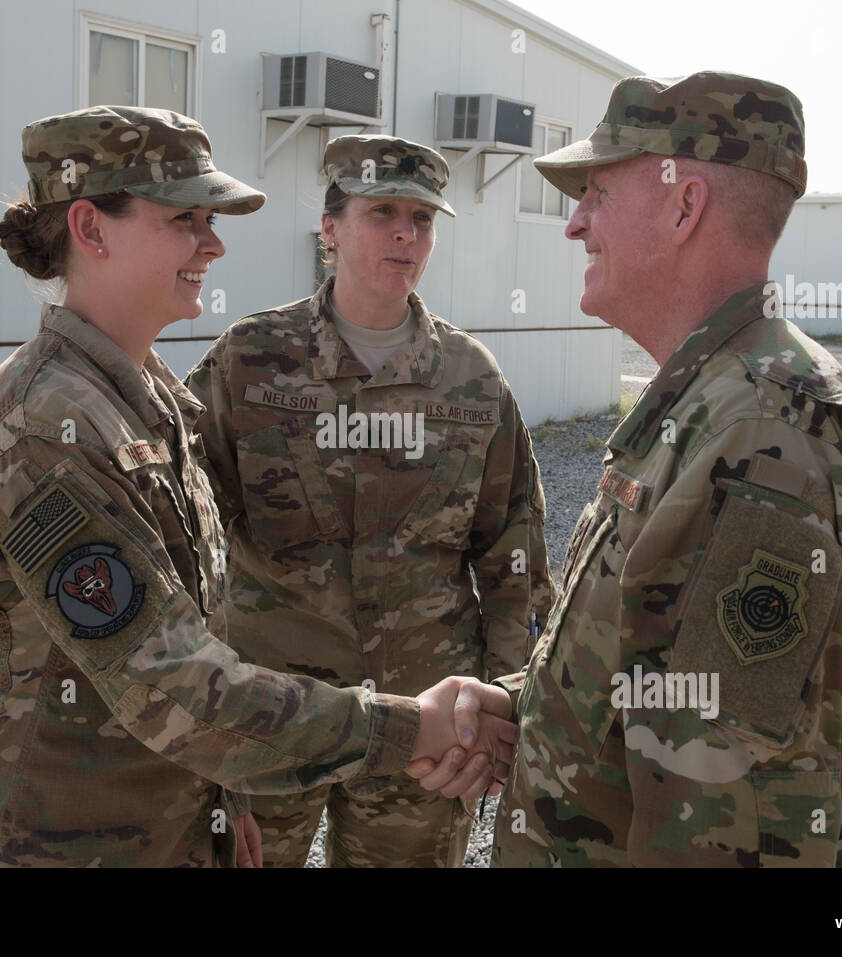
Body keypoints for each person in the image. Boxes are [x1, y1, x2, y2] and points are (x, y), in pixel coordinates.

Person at [0, 106, 513, 868]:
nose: (214, 243)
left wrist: (222, 809)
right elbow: (171, 685)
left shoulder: (153, 404)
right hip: (51, 843)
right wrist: (409, 728)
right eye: (184, 219)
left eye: (211, 218)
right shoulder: (45, 431)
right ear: (91, 230)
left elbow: (199, 623)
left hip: (159, 830)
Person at [408, 71, 842, 867]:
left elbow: (727, 824)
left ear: (684, 207)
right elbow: (647, 683)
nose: (575, 224)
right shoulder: (710, 405)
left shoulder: (761, 437)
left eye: (598, 193)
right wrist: (516, 707)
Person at [185, 135, 556, 867]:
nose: (405, 235)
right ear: (329, 228)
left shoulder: (470, 381)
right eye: (382, 211)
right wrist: (198, 700)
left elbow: (513, 553)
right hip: (275, 714)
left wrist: (502, 700)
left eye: (423, 219)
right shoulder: (252, 360)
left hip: (423, 726)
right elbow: (182, 529)